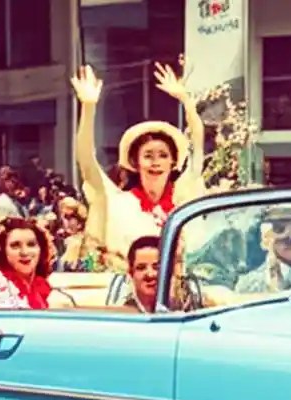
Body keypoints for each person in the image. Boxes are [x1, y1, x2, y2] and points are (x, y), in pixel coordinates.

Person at [71, 62, 206, 263]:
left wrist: (186, 101)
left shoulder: (183, 199)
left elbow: (197, 143)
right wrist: (88, 107)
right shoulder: (119, 202)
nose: (156, 162)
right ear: (135, 162)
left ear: (173, 162)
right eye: (148, 156)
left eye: (163, 155)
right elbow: (87, 161)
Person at [0, 133, 72, 311]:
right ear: (4, 251)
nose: (25, 252)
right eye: (15, 245)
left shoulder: (49, 295)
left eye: (31, 244)